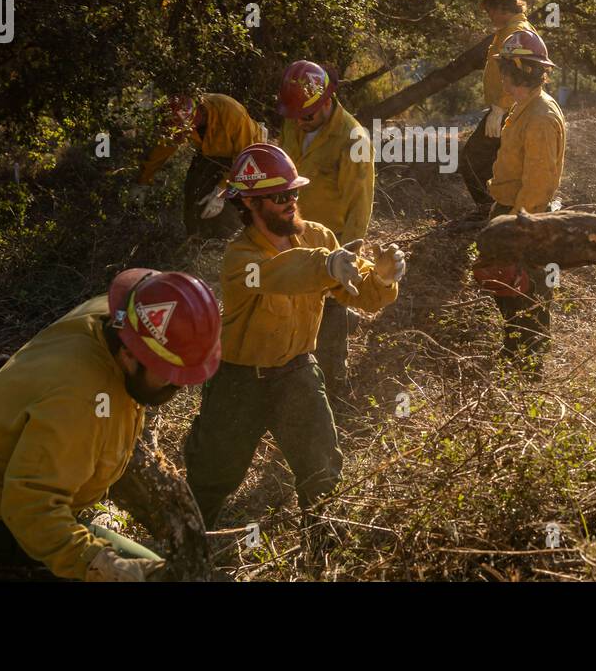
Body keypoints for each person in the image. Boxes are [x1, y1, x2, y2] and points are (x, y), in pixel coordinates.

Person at [0, 270, 220, 581]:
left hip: (9, 494)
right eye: (169, 374)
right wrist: (103, 566)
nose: (178, 387)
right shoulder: (82, 400)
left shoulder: (120, 318)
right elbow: (31, 509)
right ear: (130, 355)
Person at [181, 144, 402, 555]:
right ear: (249, 201)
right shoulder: (240, 257)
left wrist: (384, 280)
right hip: (238, 381)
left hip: (297, 372)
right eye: (280, 197)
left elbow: (363, 294)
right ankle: (183, 554)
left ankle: (324, 559)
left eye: (294, 193)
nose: (292, 203)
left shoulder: (320, 237)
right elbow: (281, 274)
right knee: (212, 476)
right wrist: (326, 266)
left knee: (322, 471)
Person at [276, 61, 374, 402]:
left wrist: (347, 259)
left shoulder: (354, 139)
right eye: (296, 117)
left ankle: (336, 392)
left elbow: (359, 207)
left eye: (307, 116)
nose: (300, 123)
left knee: (330, 323)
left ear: (326, 102)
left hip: (331, 245)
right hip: (291, 240)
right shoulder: (293, 122)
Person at [475, 30, 566, 370]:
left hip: (525, 220)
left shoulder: (540, 117)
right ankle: (514, 357)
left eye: (506, 73)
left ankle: (528, 372)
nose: (503, 79)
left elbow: (538, 184)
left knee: (527, 298)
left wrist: (514, 227)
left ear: (519, 72)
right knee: (508, 295)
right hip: (511, 214)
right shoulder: (524, 107)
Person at [458, 0, 540, 207]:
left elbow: (521, 73)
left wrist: (500, 108)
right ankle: (499, 210)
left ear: (500, 6)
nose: (488, 15)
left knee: (471, 160)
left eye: (489, 9)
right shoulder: (509, 31)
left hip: (507, 110)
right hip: (506, 109)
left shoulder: (517, 32)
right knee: (499, 164)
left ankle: (491, 211)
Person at [134, 92, 265, 238]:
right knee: (194, 190)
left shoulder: (232, 113)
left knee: (238, 197)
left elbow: (245, 159)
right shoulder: (182, 121)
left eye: (185, 128)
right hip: (212, 153)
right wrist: (143, 181)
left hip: (249, 156)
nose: (184, 132)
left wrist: (221, 192)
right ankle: (195, 240)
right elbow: (164, 148)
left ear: (197, 114)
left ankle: (234, 239)